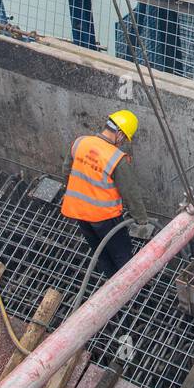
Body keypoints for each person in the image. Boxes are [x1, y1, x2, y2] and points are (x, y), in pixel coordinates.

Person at [61, 109, 139, 279]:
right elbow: (131, 193)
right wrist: (141, 219)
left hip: (79, 213)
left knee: (100, 252)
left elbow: (66, 171)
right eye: (124, 138)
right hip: (105, 218)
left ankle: (109, 284)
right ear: (119, 134)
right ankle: (128, 291)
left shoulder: (80, 142)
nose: (123, 142)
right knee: (123, 257)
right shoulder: (116, 158)